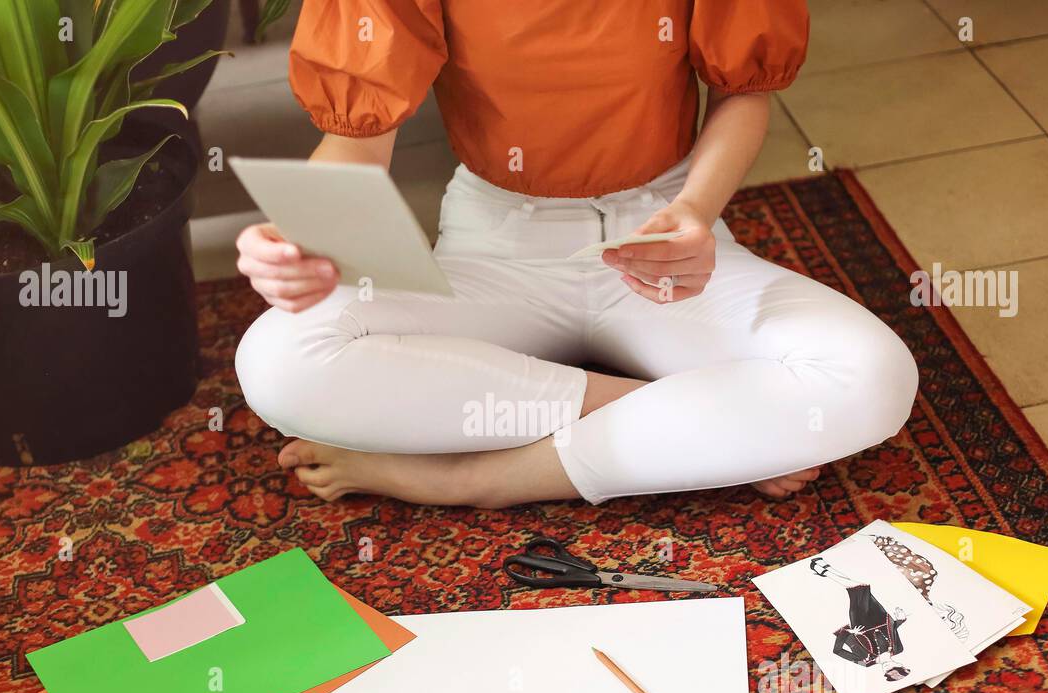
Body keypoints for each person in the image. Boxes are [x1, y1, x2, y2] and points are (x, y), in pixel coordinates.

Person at [233, 1, 919, 508]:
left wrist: (693, 215)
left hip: (655, 241)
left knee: (875, 376)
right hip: (494, 247)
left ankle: (472, 480)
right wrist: (297, 238)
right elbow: (357, 140)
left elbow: (744, 92)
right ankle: (676, 414)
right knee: (278, 361)